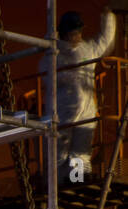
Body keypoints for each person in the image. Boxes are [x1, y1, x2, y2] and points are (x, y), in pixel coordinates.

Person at [56, 8, 119, 180]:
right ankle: (59, 183)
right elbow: (48, 74)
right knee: (60, 150)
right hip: (62, 110)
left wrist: (107, 16)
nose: (76, 36)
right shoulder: (54, 54)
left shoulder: (86, 50)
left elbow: (105, 41)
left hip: (85, 109)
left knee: (81, 148)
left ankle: (76, 180)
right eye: (73, 32)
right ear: (64, 32)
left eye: (78, 32)